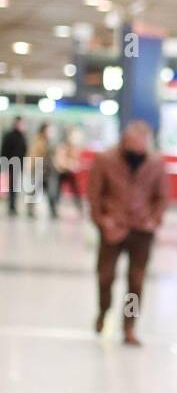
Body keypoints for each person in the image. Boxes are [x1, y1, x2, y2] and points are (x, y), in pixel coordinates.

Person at [87, 120, 168, 346]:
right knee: (105, 276)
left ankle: (129, 326)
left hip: (142, 232)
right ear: (124, 141)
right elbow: (94, 195)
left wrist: (153, 220)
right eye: (133, 145)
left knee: (136, 282)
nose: (137, 150)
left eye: (142, 145)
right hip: (112, 229)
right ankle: (104, 311)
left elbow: (162, 197)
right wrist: (102, 221)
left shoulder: (156, 164)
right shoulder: (105, 160)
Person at [27, 120, 58, 218]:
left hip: (47, 170)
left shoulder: (48, 141)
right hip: (39, 169)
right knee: (35, 191)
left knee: (50, 191)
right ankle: (30, 210)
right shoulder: (38, 140)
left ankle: (53, 210)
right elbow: (34, 154)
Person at [1, 114, 27, 215]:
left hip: (18, 165)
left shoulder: (22, 136)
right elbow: (4, 151)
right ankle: (11, 207)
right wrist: (4, 166)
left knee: (15, 187)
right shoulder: (9, 136)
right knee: (10, 187)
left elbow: (24, 151)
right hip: (10, 164)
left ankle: (13, 206)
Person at [54, 129, 84, 212]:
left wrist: (74, 164)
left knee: (75, 189)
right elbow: (60, 161)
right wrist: (67, 165)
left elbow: (76, 158)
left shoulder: (72, 148)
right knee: (57, 190)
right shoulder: (62, 147)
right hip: (62, 171)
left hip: (69, 172)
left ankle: (79, 207)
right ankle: (54, 208)